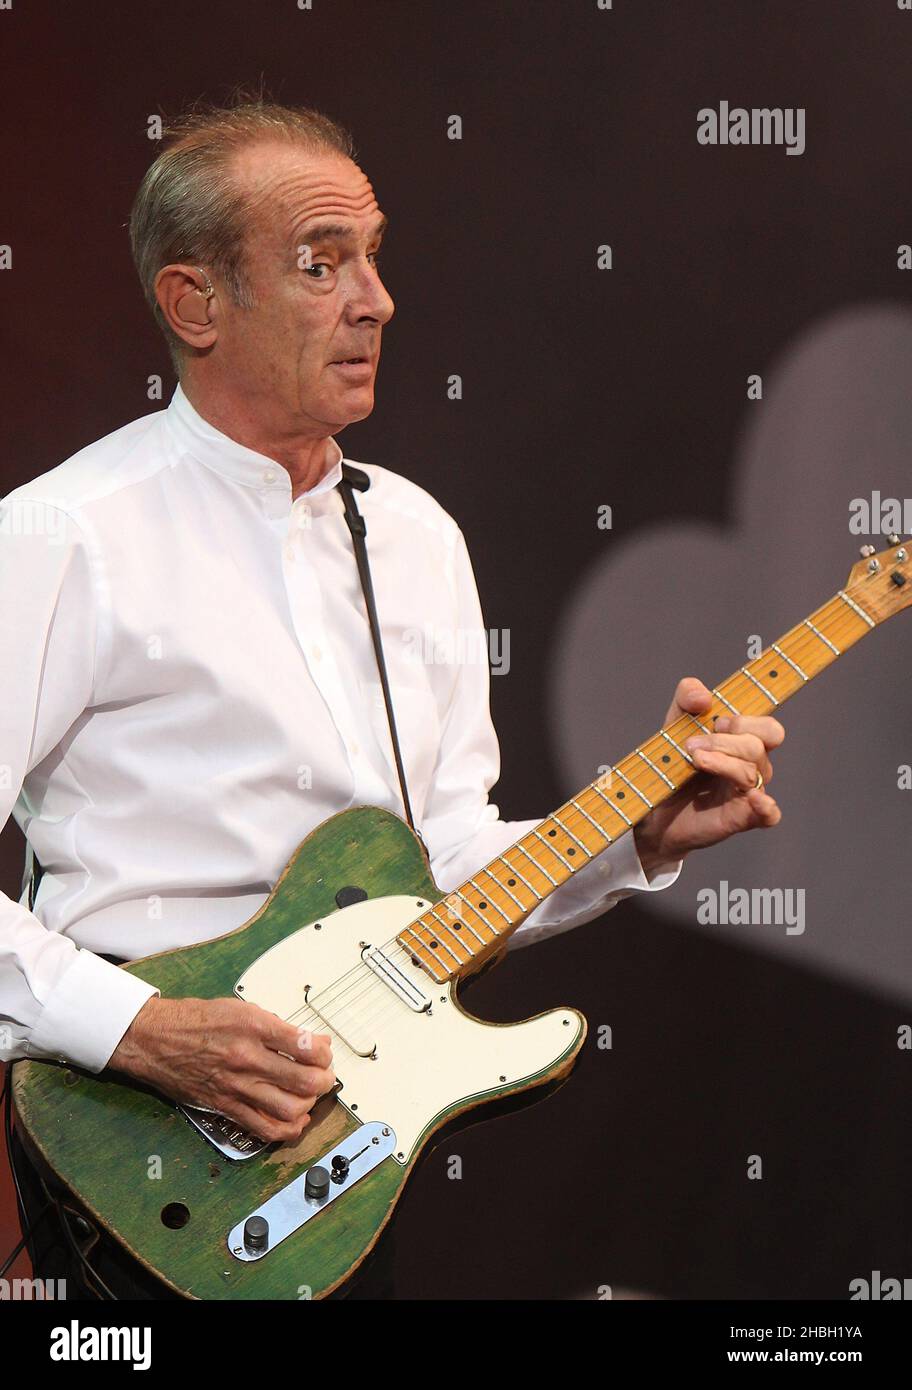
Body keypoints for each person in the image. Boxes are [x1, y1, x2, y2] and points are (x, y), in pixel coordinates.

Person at [0, 97, 785, 1299]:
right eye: (322, 264)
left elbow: (447, 858)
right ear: (195, 304)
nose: (377, 298)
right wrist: (142, 1032)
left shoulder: (416, 533)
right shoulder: (64, 536)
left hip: (339, 1141)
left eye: (376, 255)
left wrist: (637, 832)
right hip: (140, 1147)